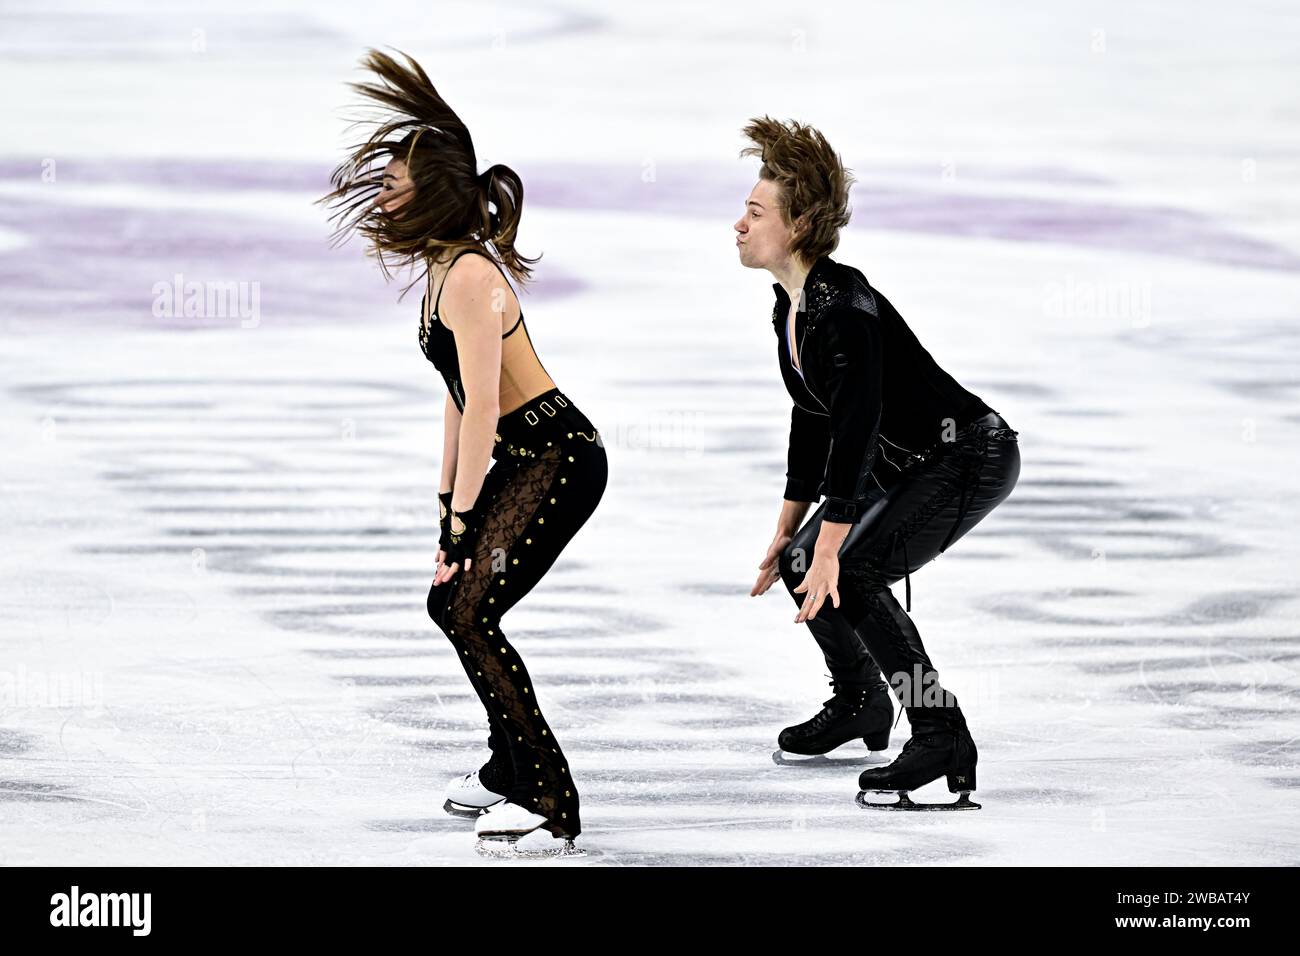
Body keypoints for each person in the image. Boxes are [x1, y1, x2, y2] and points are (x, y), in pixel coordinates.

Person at [319, 49, 607, 853]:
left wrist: (463, 520)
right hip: (517, 460)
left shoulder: (472, 278)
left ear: (432, 192)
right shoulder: (442, 269)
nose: (382, 188)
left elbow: (485, 406)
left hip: (559, 455)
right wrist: (445, 510)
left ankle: (549, 800)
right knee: (455, 604)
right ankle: (507, 765)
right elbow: (455, 400)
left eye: (397, 177)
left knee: (468, 609)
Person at [736, 116, 1021, 809]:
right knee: (808, 565)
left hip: (967, 456)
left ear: (798, 225)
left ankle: (940, 730)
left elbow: (857, 434)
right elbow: (815, 420)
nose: (738, 225)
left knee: (851, 571)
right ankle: (864, 702)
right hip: (912, 461)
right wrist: (789, 532)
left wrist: (832, 544)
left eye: (754, 213)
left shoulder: (844, 310)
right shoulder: (794, 305)